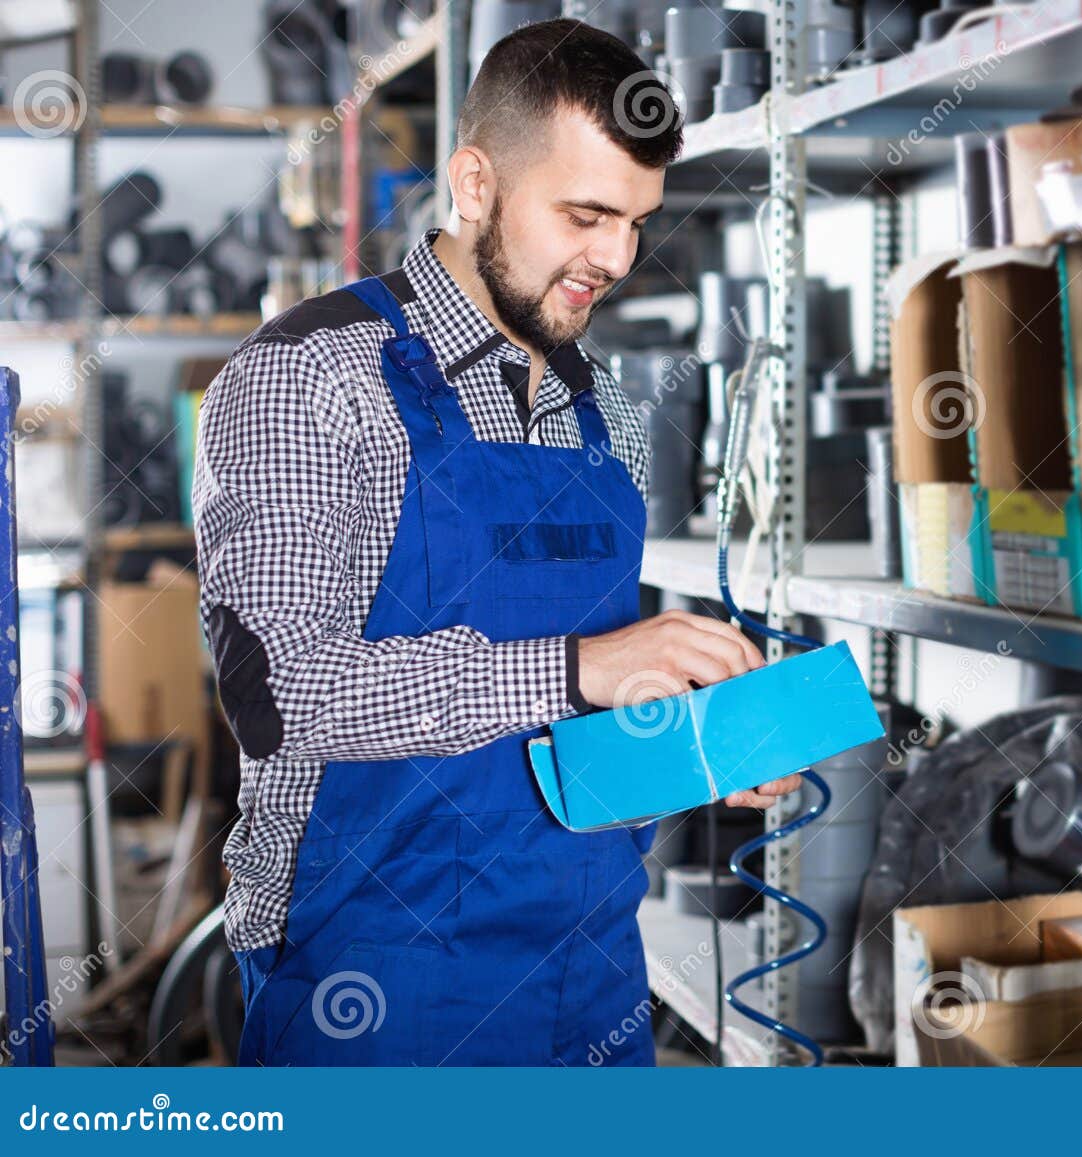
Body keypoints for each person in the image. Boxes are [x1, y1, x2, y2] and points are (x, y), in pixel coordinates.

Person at [193, 19, 800, 1066]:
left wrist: (692, 740)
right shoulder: (309, 378)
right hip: (376, 982)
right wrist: (585, 664)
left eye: (635, 221)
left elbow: (565, 733)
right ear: (475, 183)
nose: (615, 257)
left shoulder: (600, 407)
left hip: (594, 969)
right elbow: (282, 692)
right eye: (586, 214)